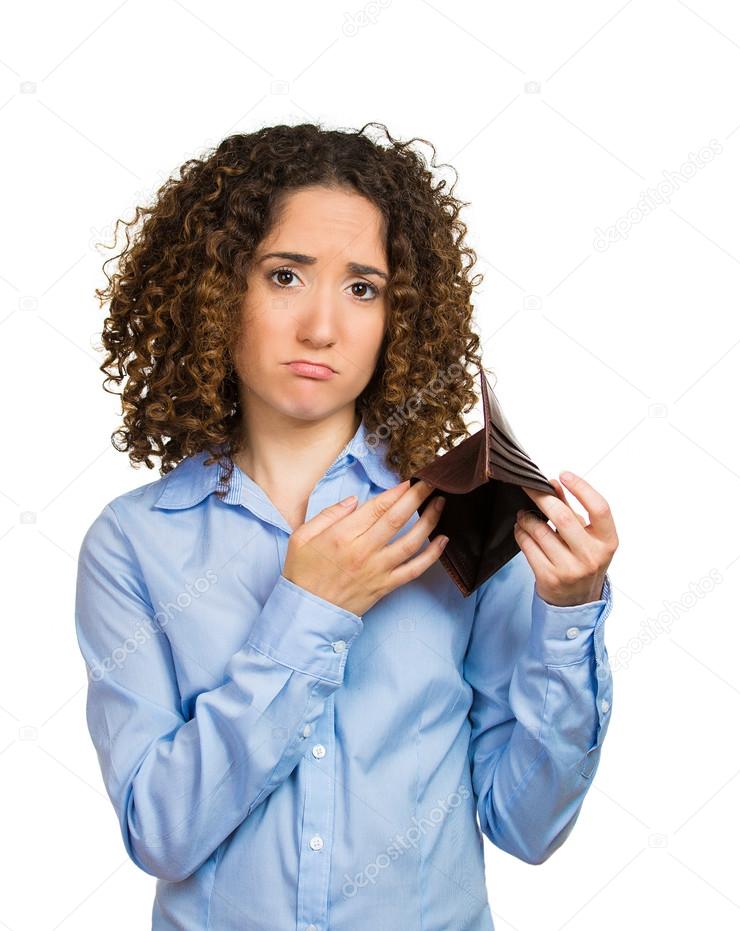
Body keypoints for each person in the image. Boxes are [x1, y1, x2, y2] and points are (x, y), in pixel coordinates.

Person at [75, 121, 619, 930]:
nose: (321, 326)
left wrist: (570, 615)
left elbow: (528, 825)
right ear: (219, 291)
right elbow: (161, 831)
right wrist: (309, 609)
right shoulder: (134, 543)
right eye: (286, 275)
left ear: (399, 314)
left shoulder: (458, 514)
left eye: (363, 286)